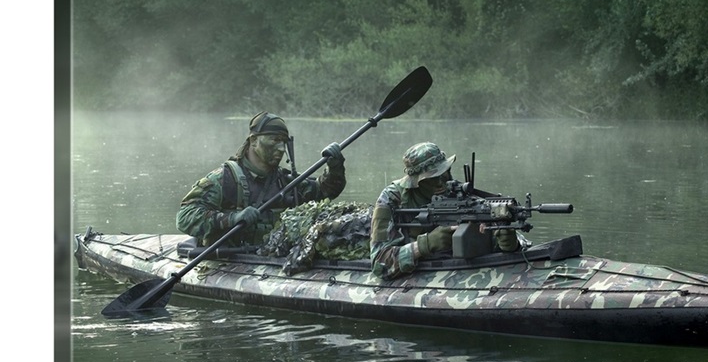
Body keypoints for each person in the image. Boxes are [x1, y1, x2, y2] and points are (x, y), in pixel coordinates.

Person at [176, 111, 346, 247]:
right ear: (254, 141)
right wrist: (232, 218)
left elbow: (325, 191)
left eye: (283, 143)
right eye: (274, 141)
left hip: (270, 259)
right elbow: (185, 216)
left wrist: (335, 166)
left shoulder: (285, 181)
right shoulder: (224, 179)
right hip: (230, 260)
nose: (280, 148)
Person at [370, 142, 519, 280]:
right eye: (432, 179)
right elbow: (379, 264)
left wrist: (508, 242)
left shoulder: (458, 193)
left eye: (444, 173)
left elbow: (504, 237)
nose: (441, 183)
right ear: (415, 182)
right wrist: (425, 244)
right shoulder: (392, 198)